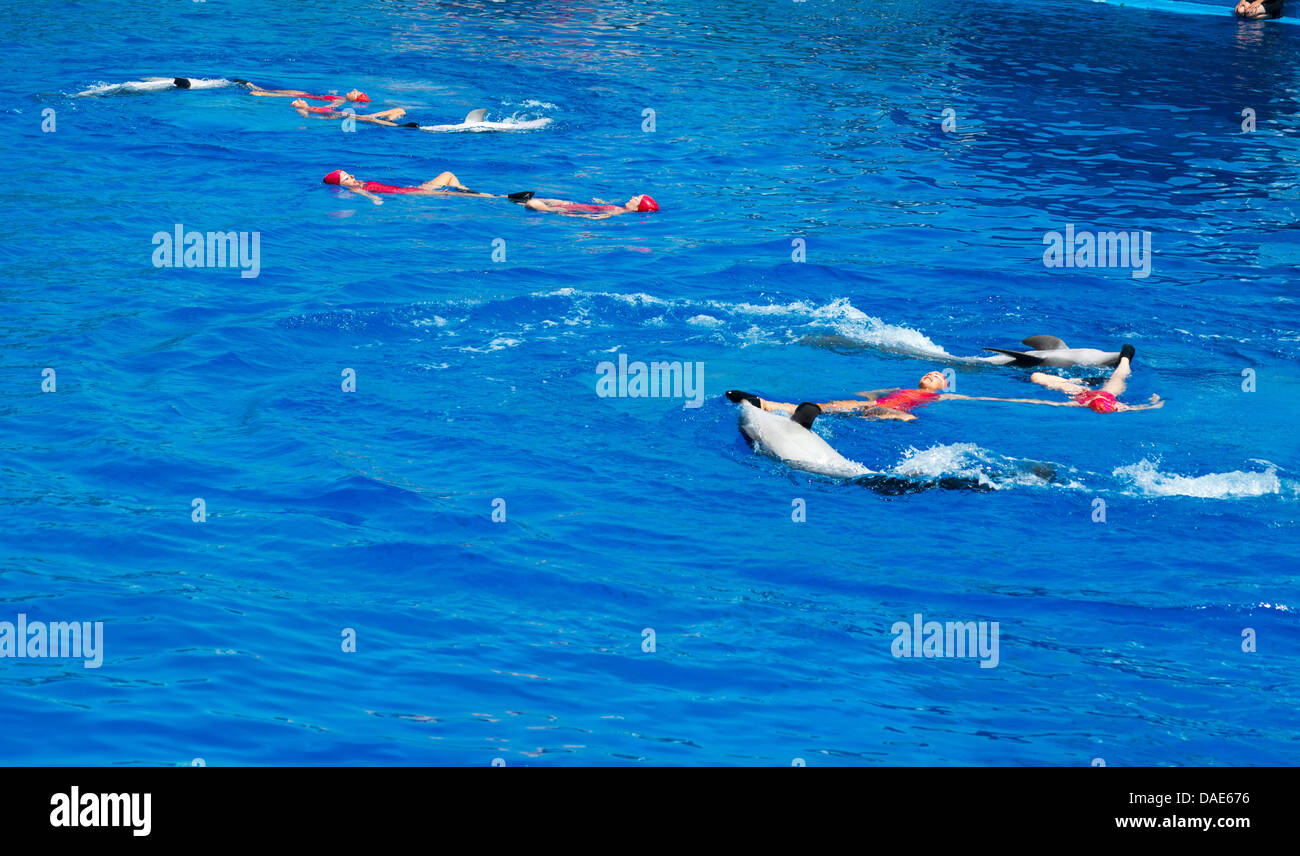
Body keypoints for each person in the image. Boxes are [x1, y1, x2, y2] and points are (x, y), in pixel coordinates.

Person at [726, 371, 1024, 422]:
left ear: (944, 387)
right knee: (828, 407)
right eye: (928, 372)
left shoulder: (943, 398)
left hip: (897, 412)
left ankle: (893, 417)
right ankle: (762, 403)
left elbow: (994, 402)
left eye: (938, 377)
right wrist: (861, 398)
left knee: (896, 414)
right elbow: (867, 393)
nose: (932, 375)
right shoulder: (896, 387)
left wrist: (1049, 402)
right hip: (873, 405)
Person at [1013, 345, 1163, 413]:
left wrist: (994, 399)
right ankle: (1125, 358)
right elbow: (1145, 407)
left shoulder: (1079, 403)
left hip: (1082, 392)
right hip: (1108, 394)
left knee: (1036, 376)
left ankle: (1081, 381)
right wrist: (1155, 401)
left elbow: (1038, 401)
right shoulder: (1118, 407)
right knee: (1118, 376)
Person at [321, 169, 533, 206]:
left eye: (350, 174)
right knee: (451, 191)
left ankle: (466, 190)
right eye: (348, 178)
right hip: (416, 195)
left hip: (414, 189)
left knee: (448, 175)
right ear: (342, 185)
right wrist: (375, 200)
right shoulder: (354, 189)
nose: (353, 177)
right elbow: (364, 194)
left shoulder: (359, 183)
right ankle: (502, 198)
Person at [517, 194, 659, 219]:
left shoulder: (618, 213)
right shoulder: (620, 208)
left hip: (568, 210)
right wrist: (601, 202)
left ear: (637, 208)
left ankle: (544, 210)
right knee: (543, 198)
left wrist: (570, 215)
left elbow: (596, 217)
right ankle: (498, 196)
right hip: (573, 205)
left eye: (637, 199)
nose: (633, 197)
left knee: (531, 203)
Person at [235, 79, 371, 104]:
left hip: (307, 97)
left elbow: (329, 108)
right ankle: (255, 87)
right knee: (277, 90)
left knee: (278, 94)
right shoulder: (341, 98)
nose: (354, 89)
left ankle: (260, 93)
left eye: (356, 93)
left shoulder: (340, 101)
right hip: (307, 94)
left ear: (354, 100)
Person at [292, 99, 410, 126]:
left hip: (340, 112)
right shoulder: (302, 109)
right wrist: (327, 118)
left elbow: (333, 105)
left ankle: (390, 120)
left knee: (400, 110)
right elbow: (308, 118)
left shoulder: (316, 106)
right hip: (339, 115)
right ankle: (396, 125)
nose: (298, 100)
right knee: (369, 119)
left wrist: (344, 99)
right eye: (295, 101)